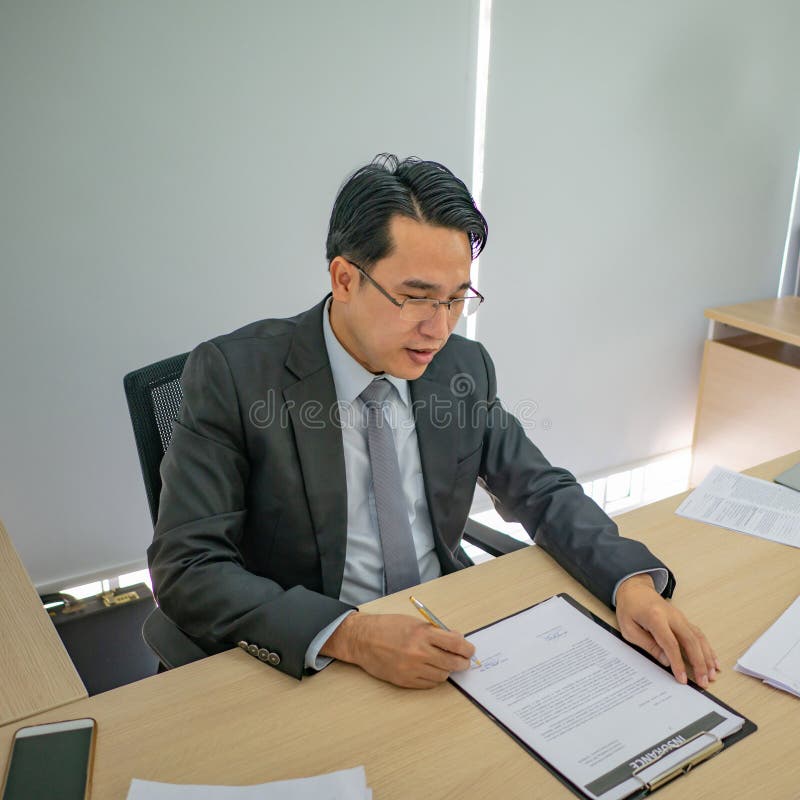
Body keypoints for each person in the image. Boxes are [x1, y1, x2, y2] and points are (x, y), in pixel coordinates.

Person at [148, 154, 719, 690]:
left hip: (443, 630)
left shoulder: (461, 369)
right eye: (416, 298)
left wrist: (630, 584)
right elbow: (188, 566)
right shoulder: (235, 376)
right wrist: (353, 635)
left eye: (456, 299)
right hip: (315, 652)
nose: (439, 329)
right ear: (344, 279)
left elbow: (541, 491)